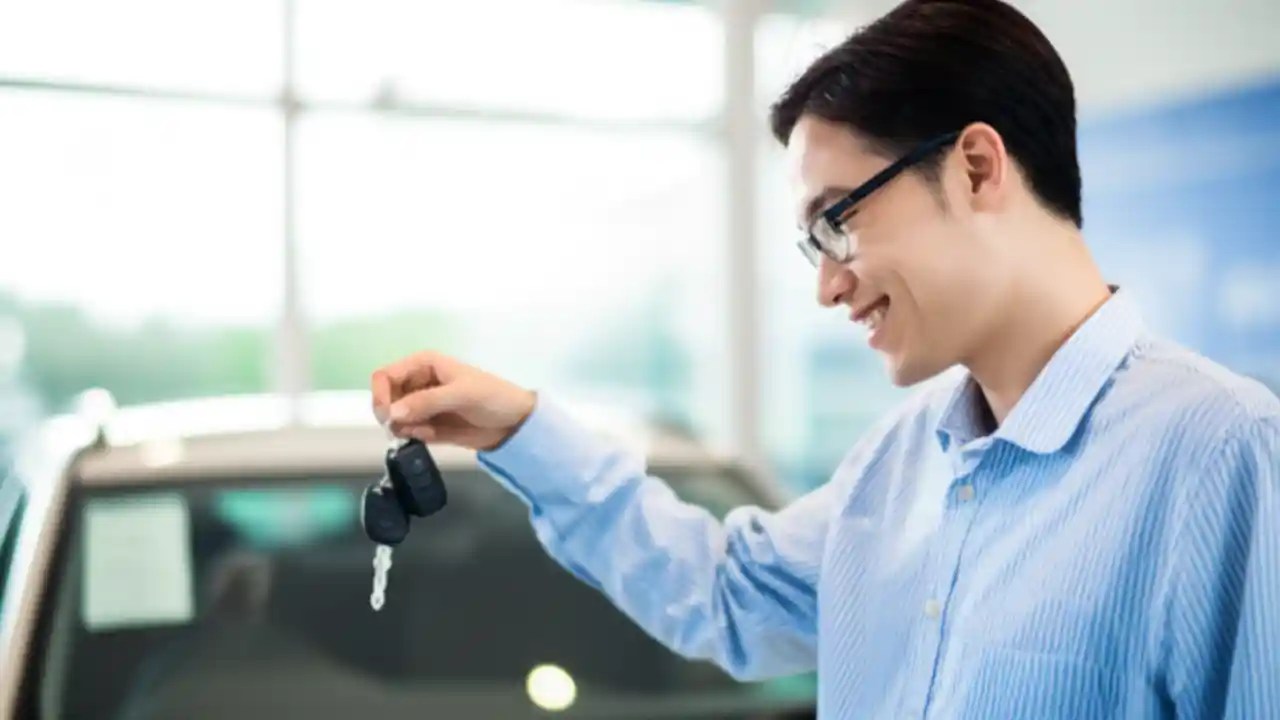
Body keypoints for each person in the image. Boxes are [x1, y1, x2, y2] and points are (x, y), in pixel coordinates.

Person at [371, 0, 1280, 717]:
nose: (829, 286)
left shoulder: (1222, 454)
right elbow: (724, 591)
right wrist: (522, 429)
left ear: (974, 167)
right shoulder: (899, 466)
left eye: (837, 223)